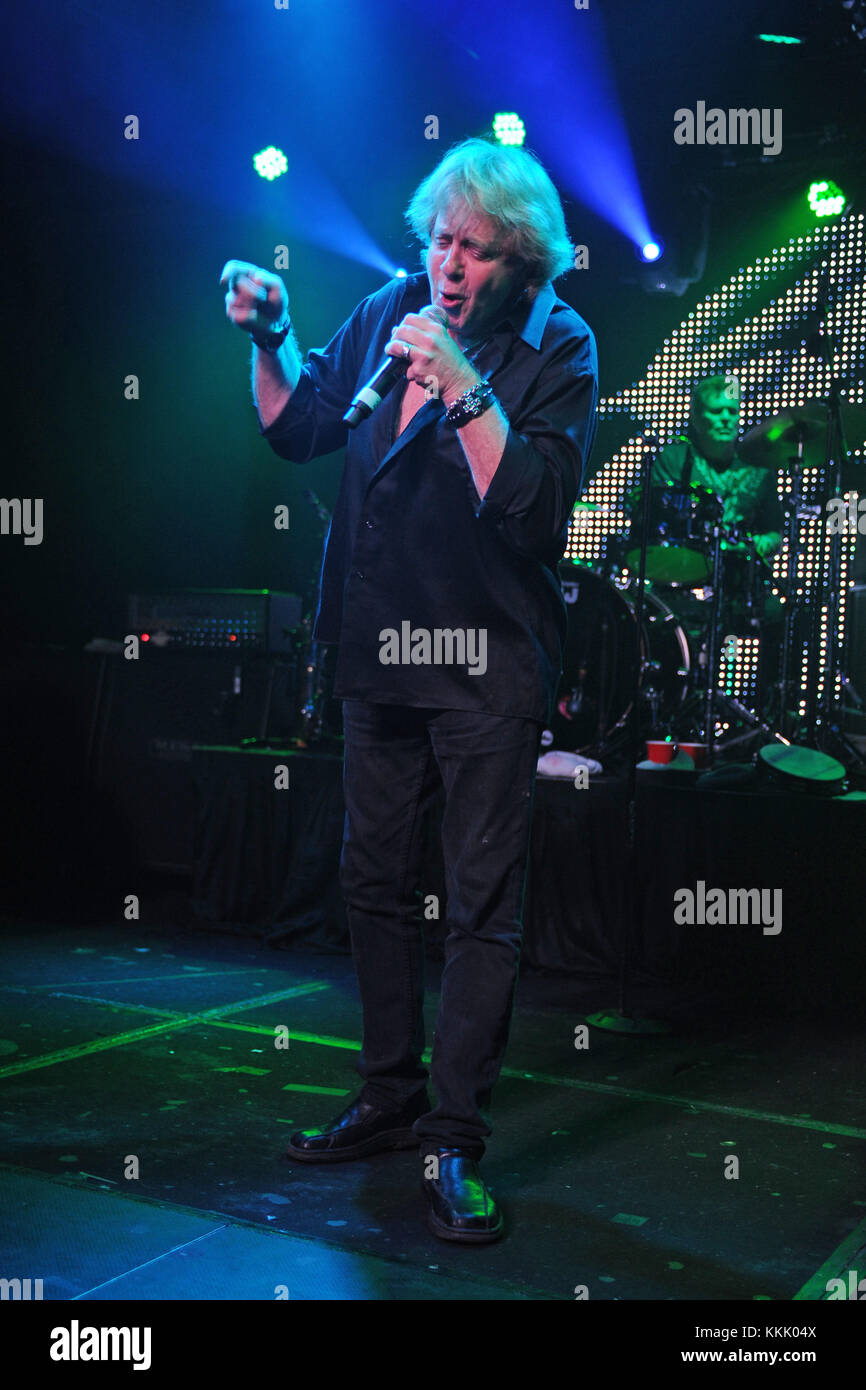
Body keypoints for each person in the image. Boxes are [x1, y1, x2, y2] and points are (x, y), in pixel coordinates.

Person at [220, 137, 597, 1243]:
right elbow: (296, 429)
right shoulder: (389, 301)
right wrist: (272, 336)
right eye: (439, 241)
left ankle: (451, 1135)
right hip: (378, 649)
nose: (447, 266)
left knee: (478, 904)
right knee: (372, 880)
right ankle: (387, 1092)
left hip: (486, 662)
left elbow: (532, 513)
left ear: (520, 260)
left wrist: (462, 382)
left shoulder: (556, 343)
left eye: (474, 251)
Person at [652, 374, 783, 560]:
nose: (725, 418)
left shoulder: (759, 468)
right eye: (716, 411)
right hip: (679, 565)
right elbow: (656, 521)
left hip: (737, 574)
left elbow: (774, 530)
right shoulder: (674, 459)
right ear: (696, 418)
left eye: (732, 411)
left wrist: (762, 544)